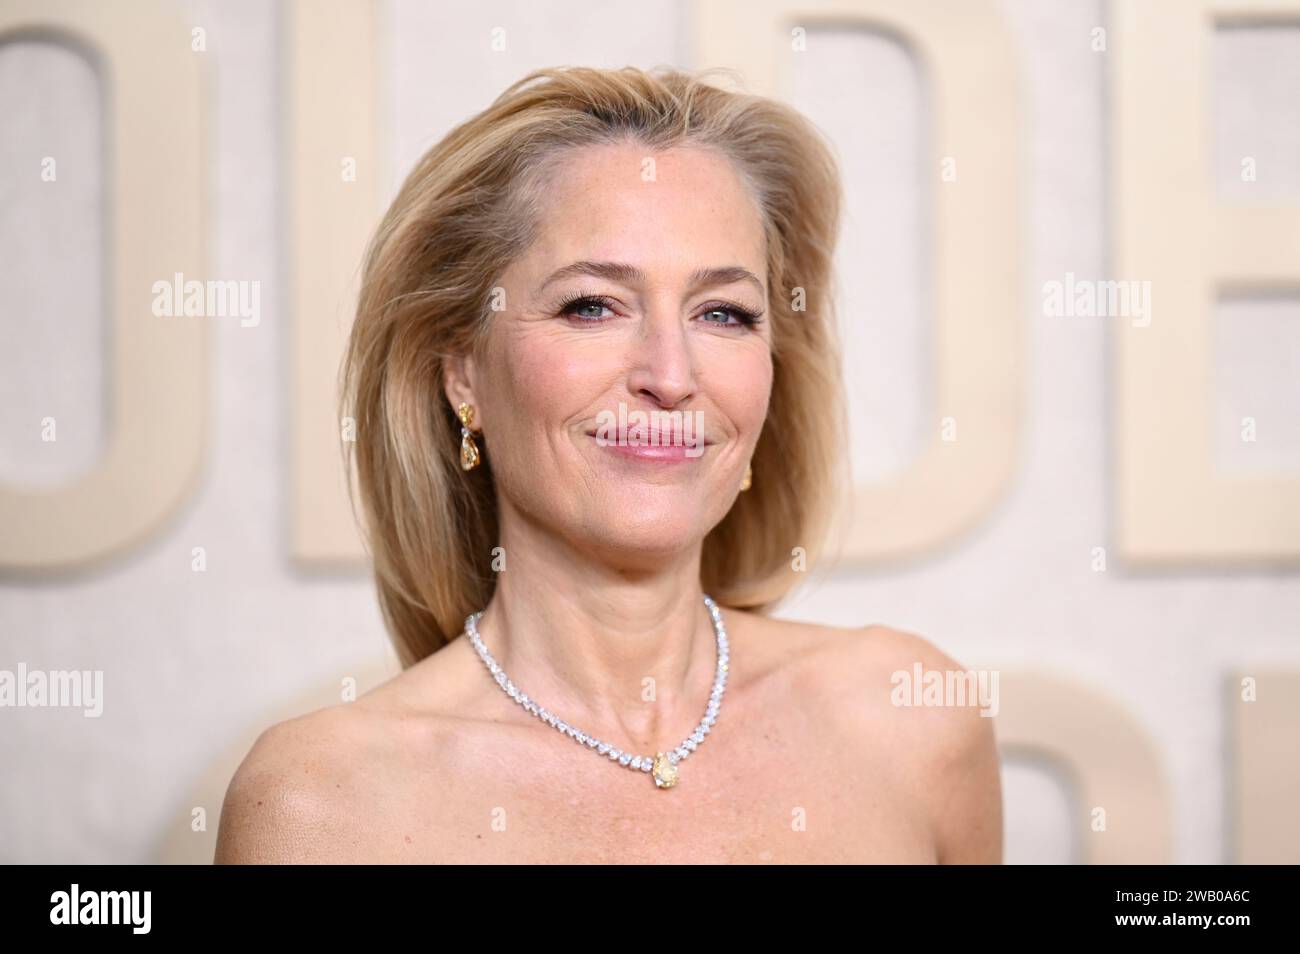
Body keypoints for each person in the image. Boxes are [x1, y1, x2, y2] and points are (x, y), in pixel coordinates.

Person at [214, 65, 1002, 864]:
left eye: (722, 313)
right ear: (462, 375)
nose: (670, 374)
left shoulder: (911, 718)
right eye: (591, 306)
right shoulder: (318, 807)